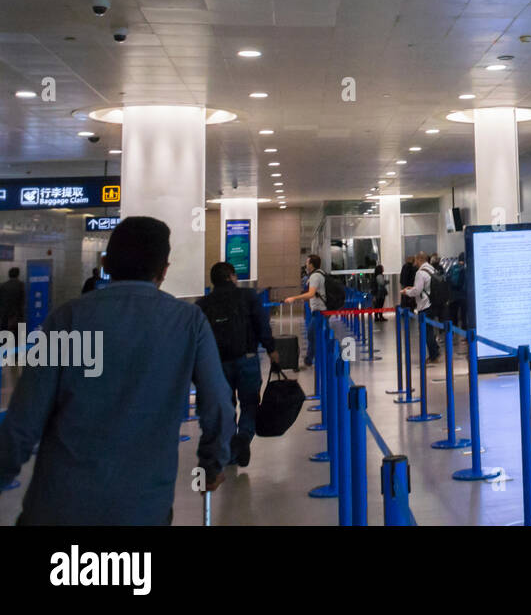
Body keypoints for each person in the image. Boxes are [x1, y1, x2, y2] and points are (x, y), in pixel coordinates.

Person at [0, 216, 234, 524]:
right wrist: (212, 465)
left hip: (58, 505)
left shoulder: (65, 319)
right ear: (164, 270)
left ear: (106, 263)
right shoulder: (189, 323)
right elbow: (218, 405)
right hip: (143, 507)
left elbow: (23, 419)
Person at [197, 262, 279, 468]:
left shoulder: (203, 304)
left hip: (218, 363)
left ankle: (231, 447)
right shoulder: (248, 296)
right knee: (250, 402)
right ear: (232, 276)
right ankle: (243, 438)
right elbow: (262, 324)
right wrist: (271, 349)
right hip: (247, 358)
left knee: (226, 405)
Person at [284, 254, 327, 367]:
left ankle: (310, 360)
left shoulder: (315, 276)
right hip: (319, 311)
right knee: (314, 335)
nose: (306, 264)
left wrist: (294, 298)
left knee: (312, 335)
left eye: (307, 262)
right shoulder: (319, 274)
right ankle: (311, 359)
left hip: (319, 311)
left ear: (311, 264)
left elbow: (311, 294)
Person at [402, 252, 440, 365]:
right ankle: (435, 351)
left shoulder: (420, 273)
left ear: (419, 260)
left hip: (424, 305)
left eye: (416, 260)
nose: (415, 263)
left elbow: (417, 291)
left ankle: (433, 355)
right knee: (430, 330)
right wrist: (413, 288)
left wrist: (406, 292)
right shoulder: (432, 269)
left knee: (426, 331)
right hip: (432, 303)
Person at [0, 268, 23, 337]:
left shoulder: (3, 286)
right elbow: (22, 302)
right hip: (17, 316)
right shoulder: (21, 285)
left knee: (4, 336)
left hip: (5, 315)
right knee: (18, 338)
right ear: (18, 274)